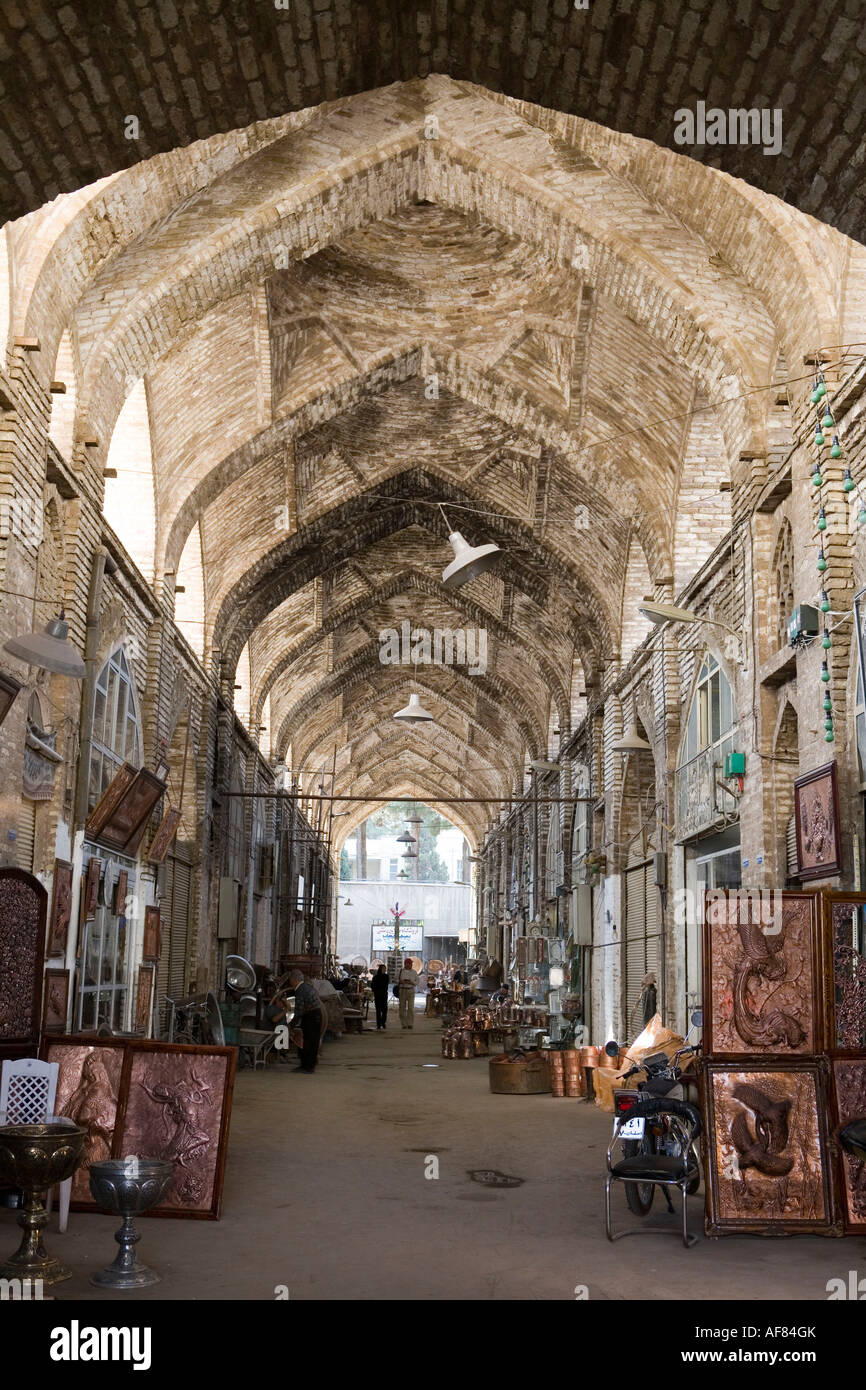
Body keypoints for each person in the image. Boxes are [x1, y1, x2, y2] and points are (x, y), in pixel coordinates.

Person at [287, 969, 323, 1073]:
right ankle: (308, 1065)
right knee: (312, 1042)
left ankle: (308, 1067)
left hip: (311, 1017)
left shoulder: (300, 991)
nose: (290, 982)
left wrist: (291, 1024)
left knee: (308, 1042)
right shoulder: (306, 987)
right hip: (315, 1015)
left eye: (290, 980)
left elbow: (299, 1011)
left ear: (294, 980)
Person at [398, 957, 418, 1029]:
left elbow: (417, 982)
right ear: (405, 964)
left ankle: (410, 1023)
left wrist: (411, 982)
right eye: (409, 964)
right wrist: (401, 981)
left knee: (410, 1008)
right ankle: (403, 1024)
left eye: (411, 964)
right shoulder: (401, 971)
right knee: (402, 1008)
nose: (410, 965)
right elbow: (396, 979)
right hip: (402, 990)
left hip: (410, 990)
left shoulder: (414, 972)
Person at [370, 963, 390, 1030]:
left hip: (384, 995)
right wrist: (376, 990)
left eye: (385, 969)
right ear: (380, 969)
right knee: (378, 1010)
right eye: (383, 969)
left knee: (384, 1010)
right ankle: (378, 1024)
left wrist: (380, 988)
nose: (384, 970)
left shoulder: (386, 976)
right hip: (377, 995)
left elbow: (386, 985)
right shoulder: (375, 977)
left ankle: (383, 1022)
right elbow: (373, 986)